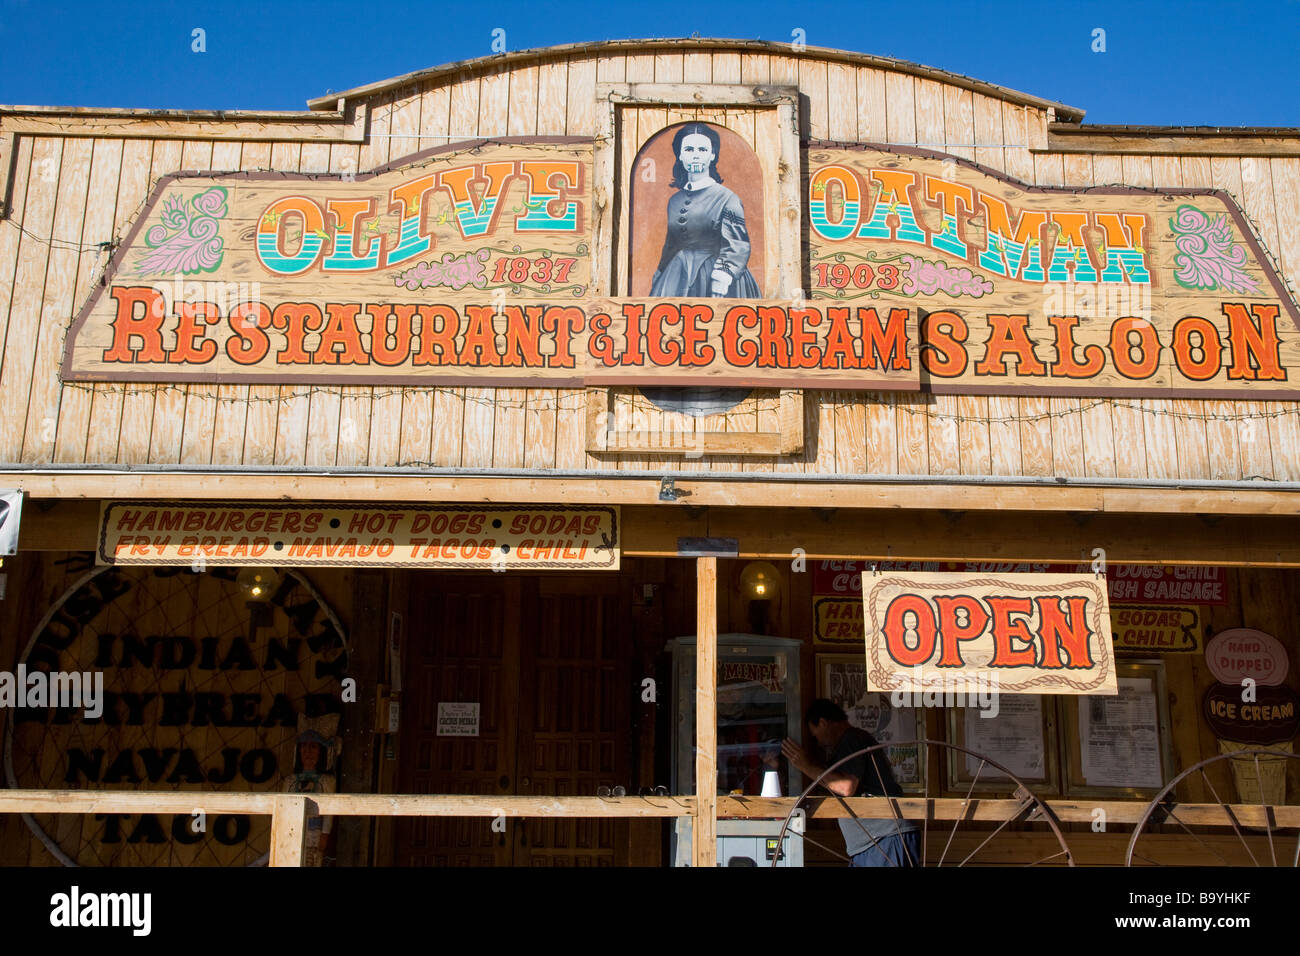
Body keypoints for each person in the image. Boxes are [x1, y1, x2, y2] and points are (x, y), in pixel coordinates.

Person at [782, 699, 921, 867]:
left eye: (815, 735)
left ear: (823, 723)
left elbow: (846, 786)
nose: (818, 742)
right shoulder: (855, 740)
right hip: (876, 841)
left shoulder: (851, 739)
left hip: (884, 838)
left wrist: (806, 766)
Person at [648, 123, 761, 298]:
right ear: (680, 155)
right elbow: (672, 244)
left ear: (712, 155)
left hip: (717, 279)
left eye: (702, 150)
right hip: (678, 276)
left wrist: (722, 278)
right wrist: (661, 272)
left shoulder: (727, 198)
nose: (695, 156)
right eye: (689, 149)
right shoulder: (675, 200)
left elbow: (737, 245)